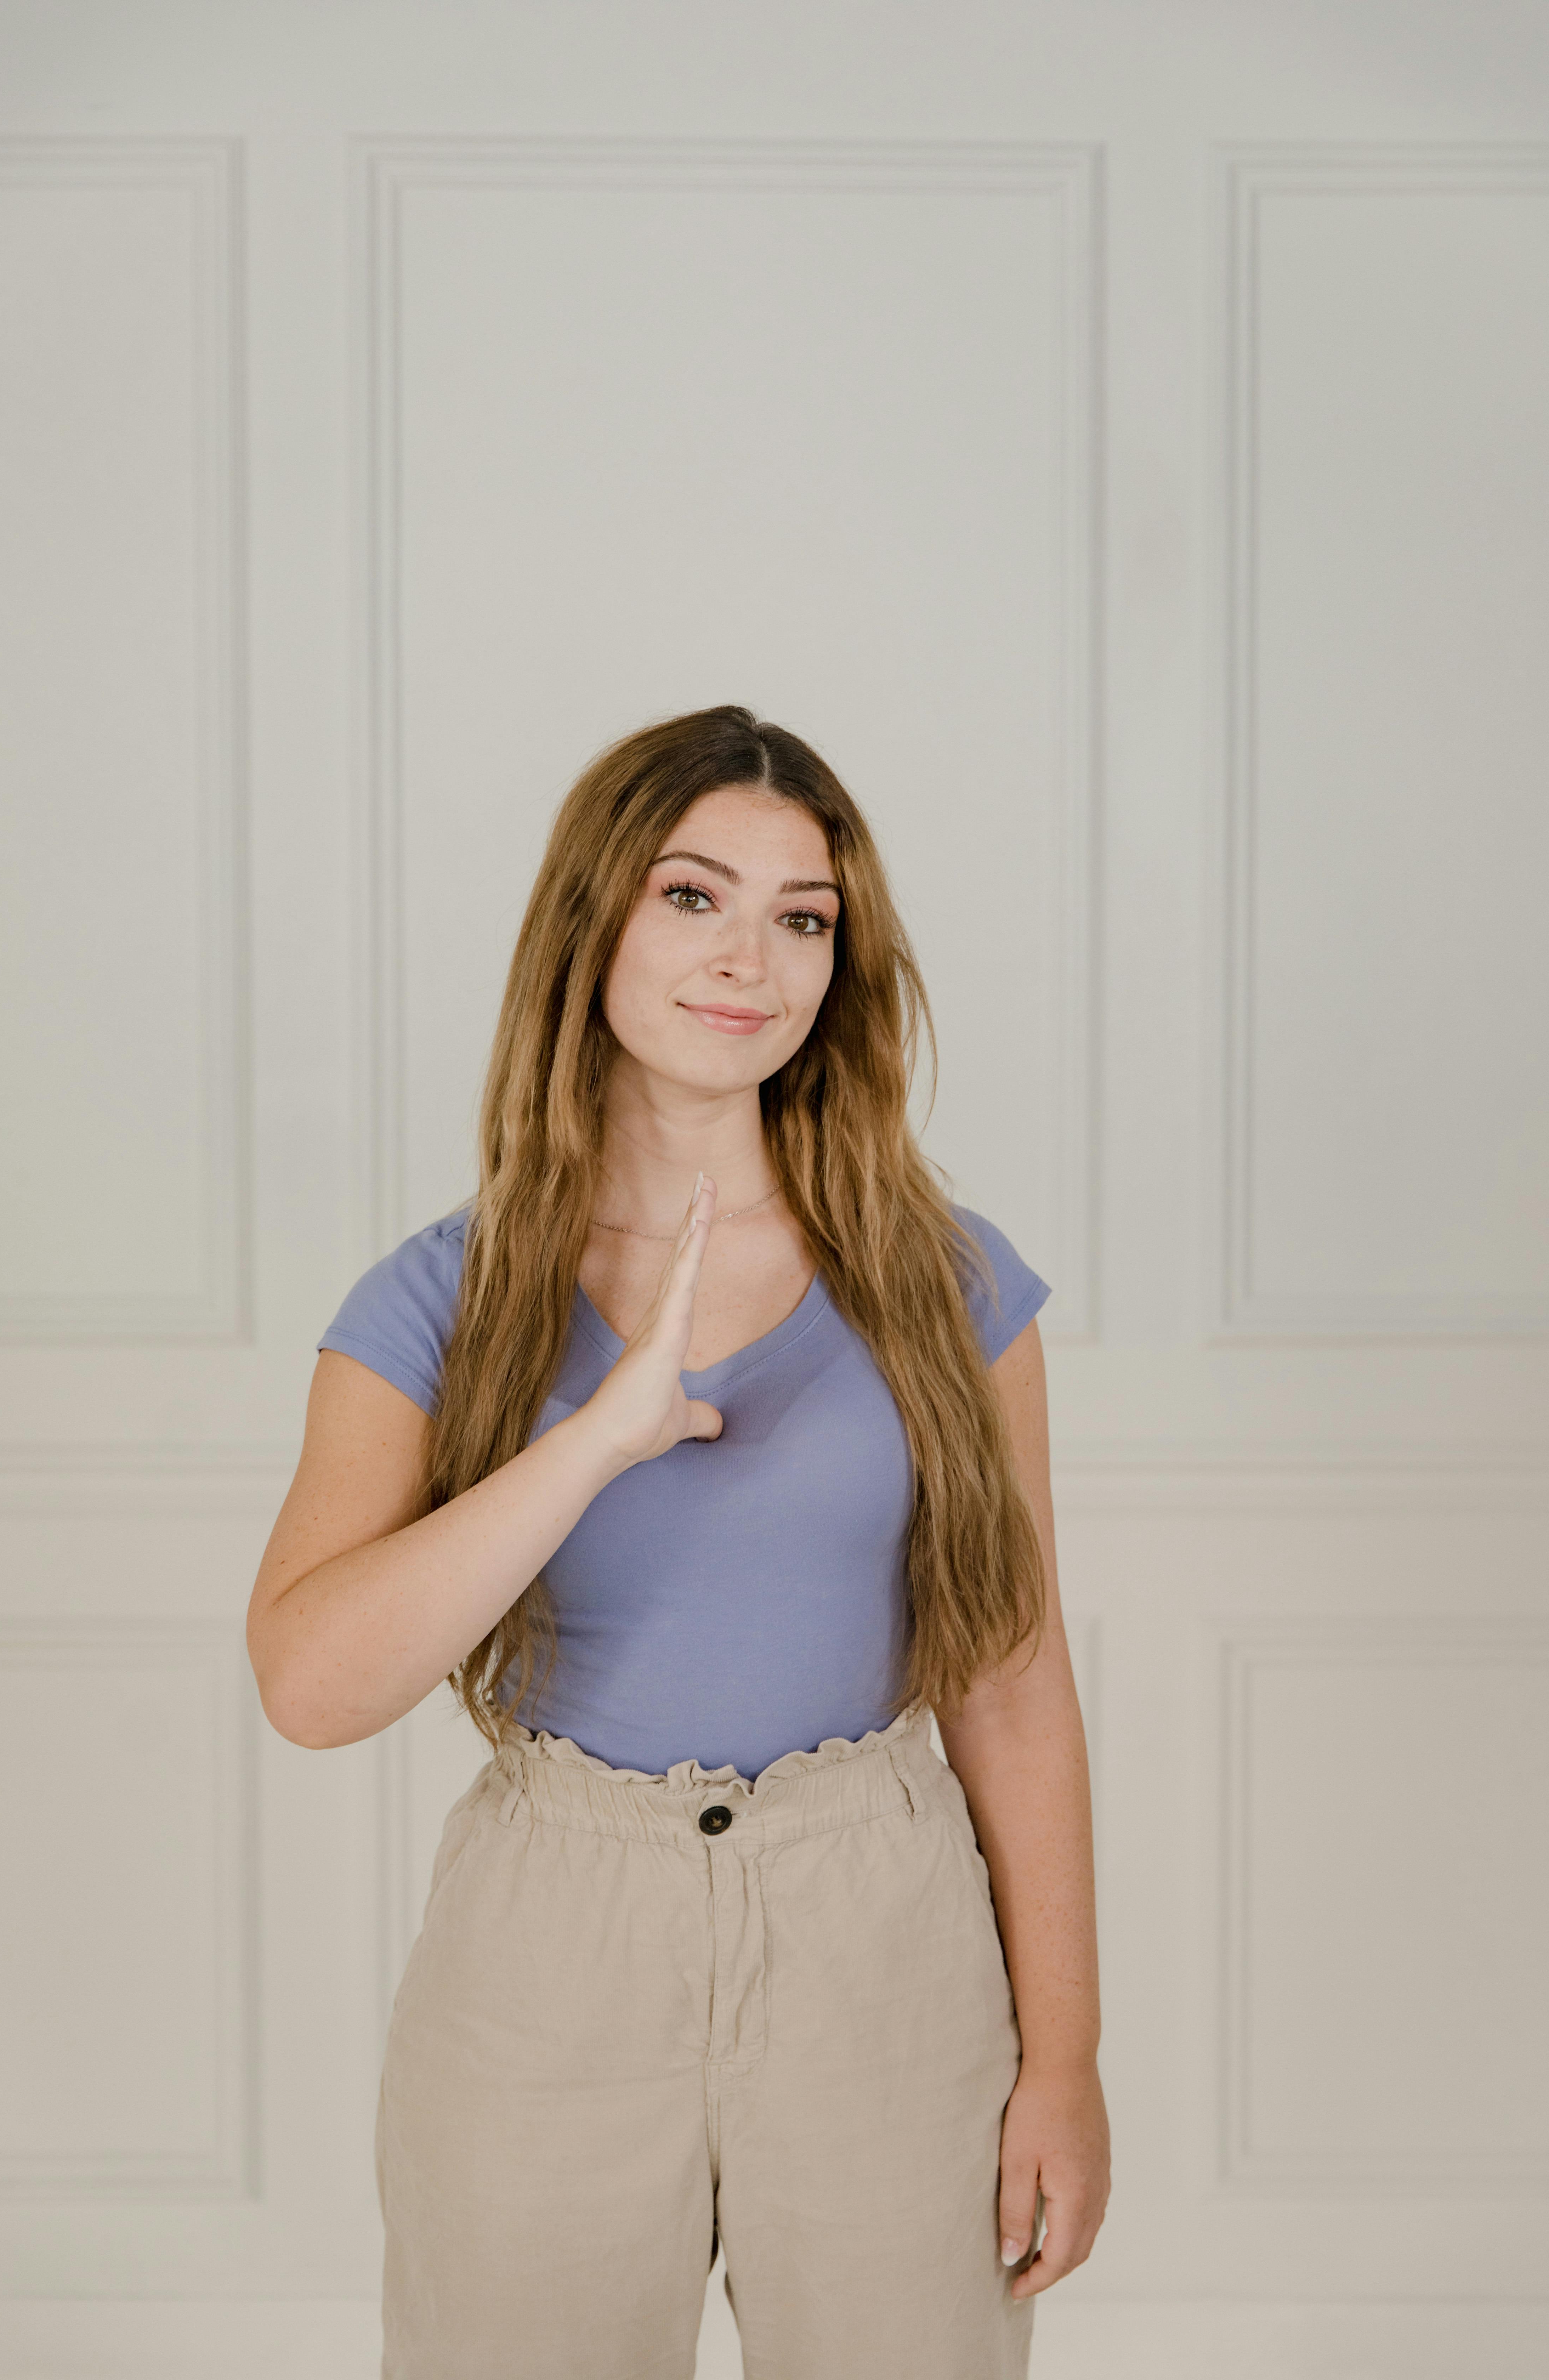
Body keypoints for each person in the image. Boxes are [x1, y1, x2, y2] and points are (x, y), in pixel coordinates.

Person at [246, 704, 1110, 2379]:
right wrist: (593, 1440)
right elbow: (311, 1682)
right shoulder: (435, 1297)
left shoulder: (945, 1280)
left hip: (884, 1934)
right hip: (550, 1944)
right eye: (694, 896)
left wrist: (1062, 2055)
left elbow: (1011, 1672)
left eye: (804, 918)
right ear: (597, 922)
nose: (753, 960)